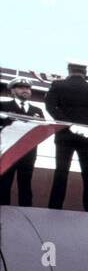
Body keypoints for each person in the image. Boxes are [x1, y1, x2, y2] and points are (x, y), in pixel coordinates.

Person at [44, 61, 88, 212]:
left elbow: (50, 107)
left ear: (69, 70)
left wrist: (69, 125)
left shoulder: (57, 86)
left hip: (64, 136)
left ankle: (55, 207)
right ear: (85, 72)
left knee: (61, 171)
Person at [0, 77, 46, 207]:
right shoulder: (3, 106)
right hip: (8, 150)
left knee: (25, 183)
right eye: (21, 88)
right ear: (13, 91)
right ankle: (3, 211)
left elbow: (42, 131)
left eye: (27, 88)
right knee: (5, 182)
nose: (25, 90)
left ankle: (26, 210)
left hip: (28, 152)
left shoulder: (37, 111)